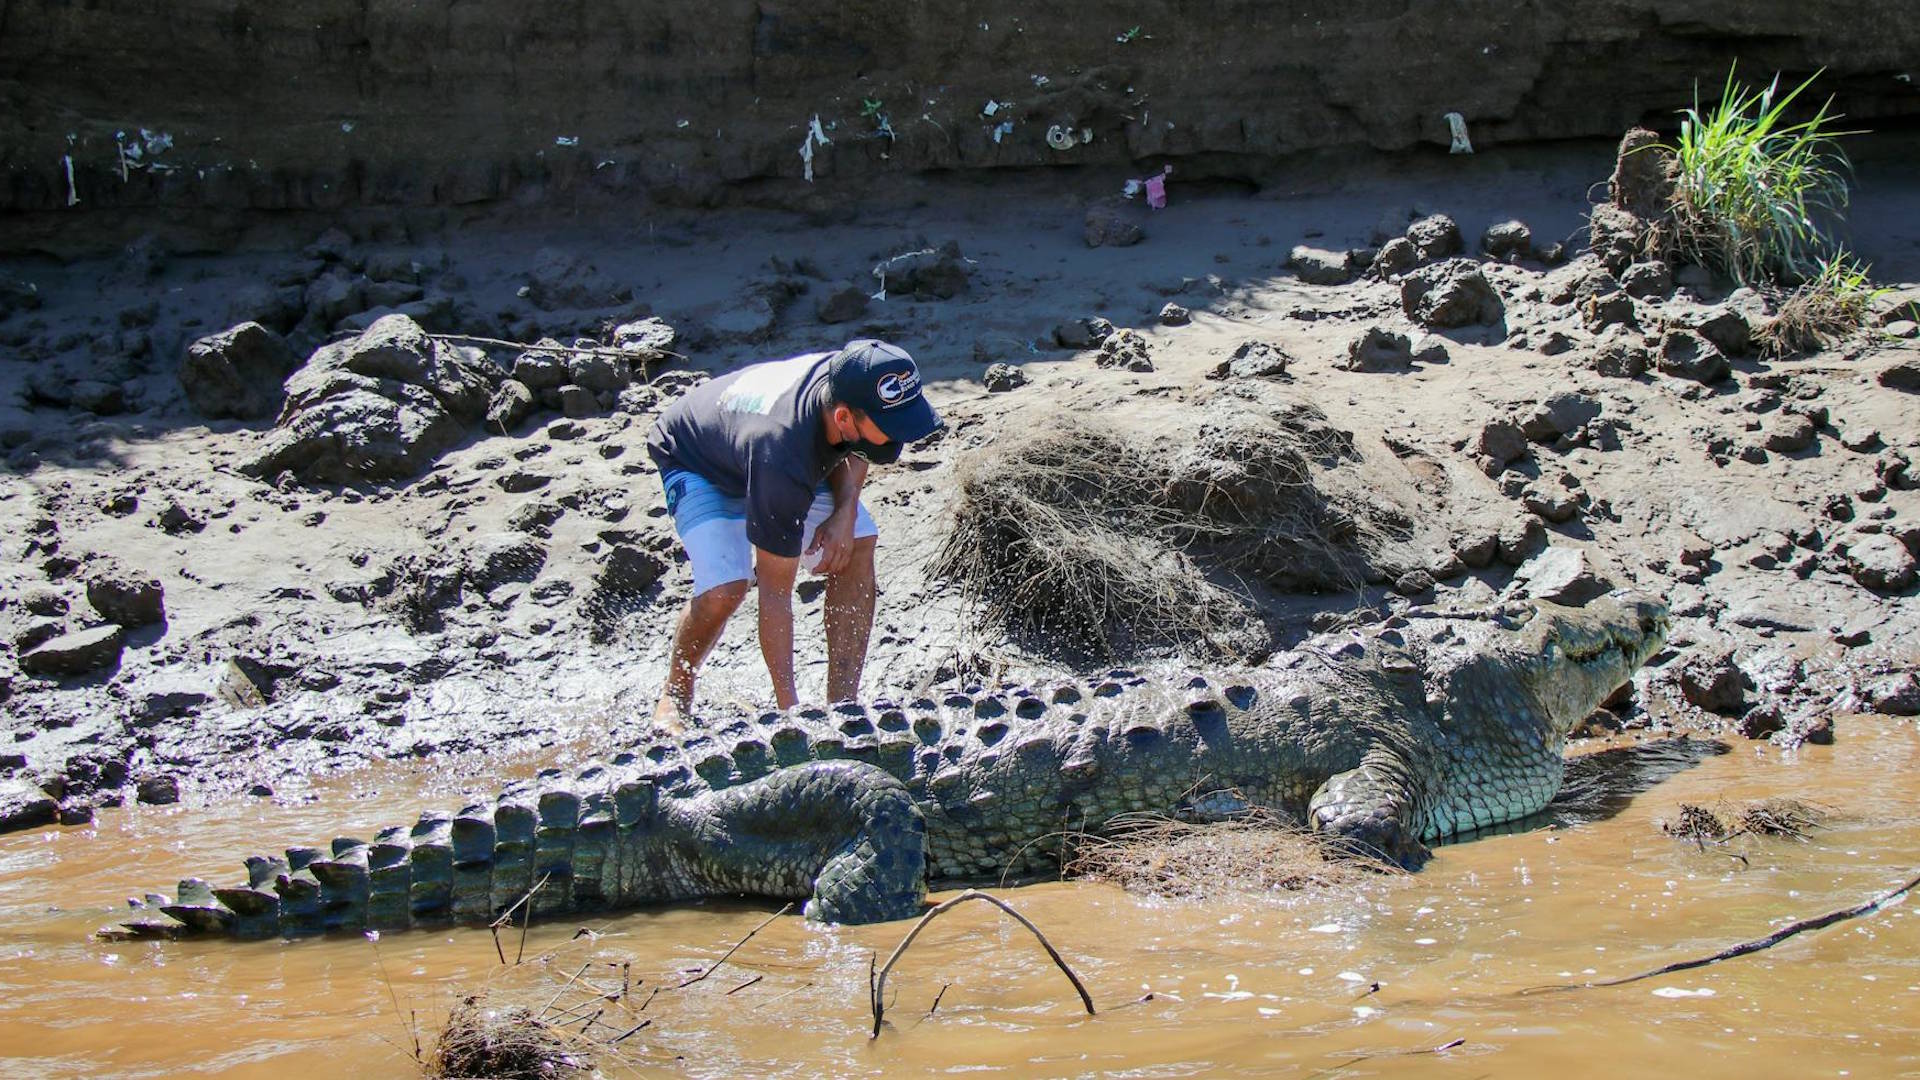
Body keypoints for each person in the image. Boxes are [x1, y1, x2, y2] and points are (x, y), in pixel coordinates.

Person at [644, 339, 942, 732]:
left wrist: (844, 511)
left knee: (856, 543)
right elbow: (775, 592)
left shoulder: (851, 374)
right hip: (695, 457)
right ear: (844, 418)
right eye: (892, 428)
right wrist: (793, 719)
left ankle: (844, 706)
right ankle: (676, 693)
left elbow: (857, 451)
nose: (900, 438)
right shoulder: (782, 454)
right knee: (727, 587)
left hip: (760, 442)